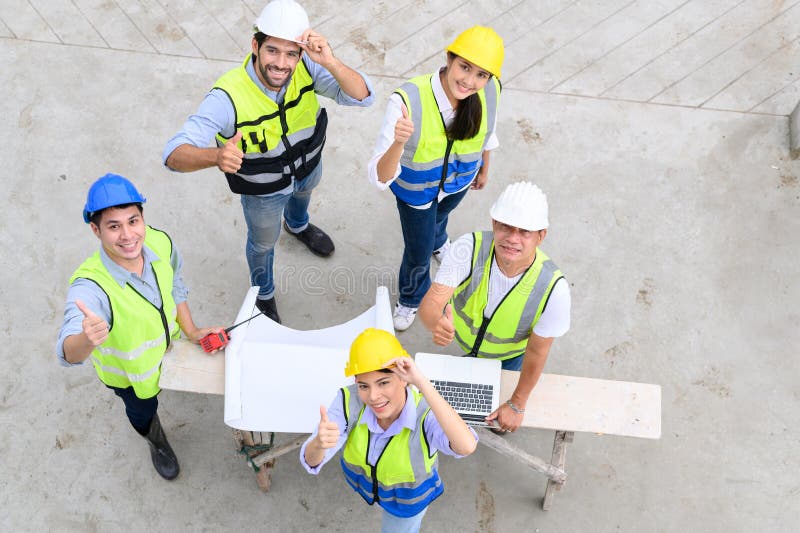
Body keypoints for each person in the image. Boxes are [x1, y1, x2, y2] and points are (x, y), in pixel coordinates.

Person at [163, 0, 374, 324]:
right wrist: (215, 156)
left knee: (304, 194)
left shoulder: (308, 68)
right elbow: (173, 154)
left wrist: (329, 61)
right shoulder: (228, 97)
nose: (281, 63)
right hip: (263, 193)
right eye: (273, 51)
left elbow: (363, 96)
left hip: (307, 168)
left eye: (291, 53)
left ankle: (299, 225)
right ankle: (263, 292)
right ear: (255, 46)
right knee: (262, 244)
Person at [56, 174, 224, 480]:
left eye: (133, 221)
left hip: (169, 347)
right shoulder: (91, 286)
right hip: (132, 378)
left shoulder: (160, 242)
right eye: (113, 226)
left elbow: (176, 285)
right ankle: (155, 439)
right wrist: (86, 338)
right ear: (95, 230)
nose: (128, 235)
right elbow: (68, 351)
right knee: (142, 411)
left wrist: (192, 331)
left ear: (143, 217)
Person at [367, 26, 504, 332]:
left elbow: (488, 131)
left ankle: (439, 240)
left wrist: (485, 165)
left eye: (481, 74)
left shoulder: (491, 90)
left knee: (440, 218)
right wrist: (398, 142)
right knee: (418, 252)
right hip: (416, 195)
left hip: (458, 184)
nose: (470, 81)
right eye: (464, 67)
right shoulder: (407, 101)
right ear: (449, 59)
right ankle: (412, 297)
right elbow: (379, 176)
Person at [418, 182, 571, 434]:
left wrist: (517, 403)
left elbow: (537, 352)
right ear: (493, 223)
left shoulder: (554, 289)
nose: (512, 239)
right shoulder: (468, 248)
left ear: (541, 236)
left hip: (508, 357)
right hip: (466, 346)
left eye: (524, 232)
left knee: (500, 420)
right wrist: (435, 322)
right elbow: (431, 304)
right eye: (505, 227)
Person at [300, 328, 477, 532]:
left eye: (383, 383)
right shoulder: (348, 401)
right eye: (364, 386)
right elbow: (312, 460)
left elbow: (466, 446)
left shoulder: (425, 416)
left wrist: (421, 381)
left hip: (406, 506)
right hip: (367, 489)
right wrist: (319, 445)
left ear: (403, 378)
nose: (373, 396)